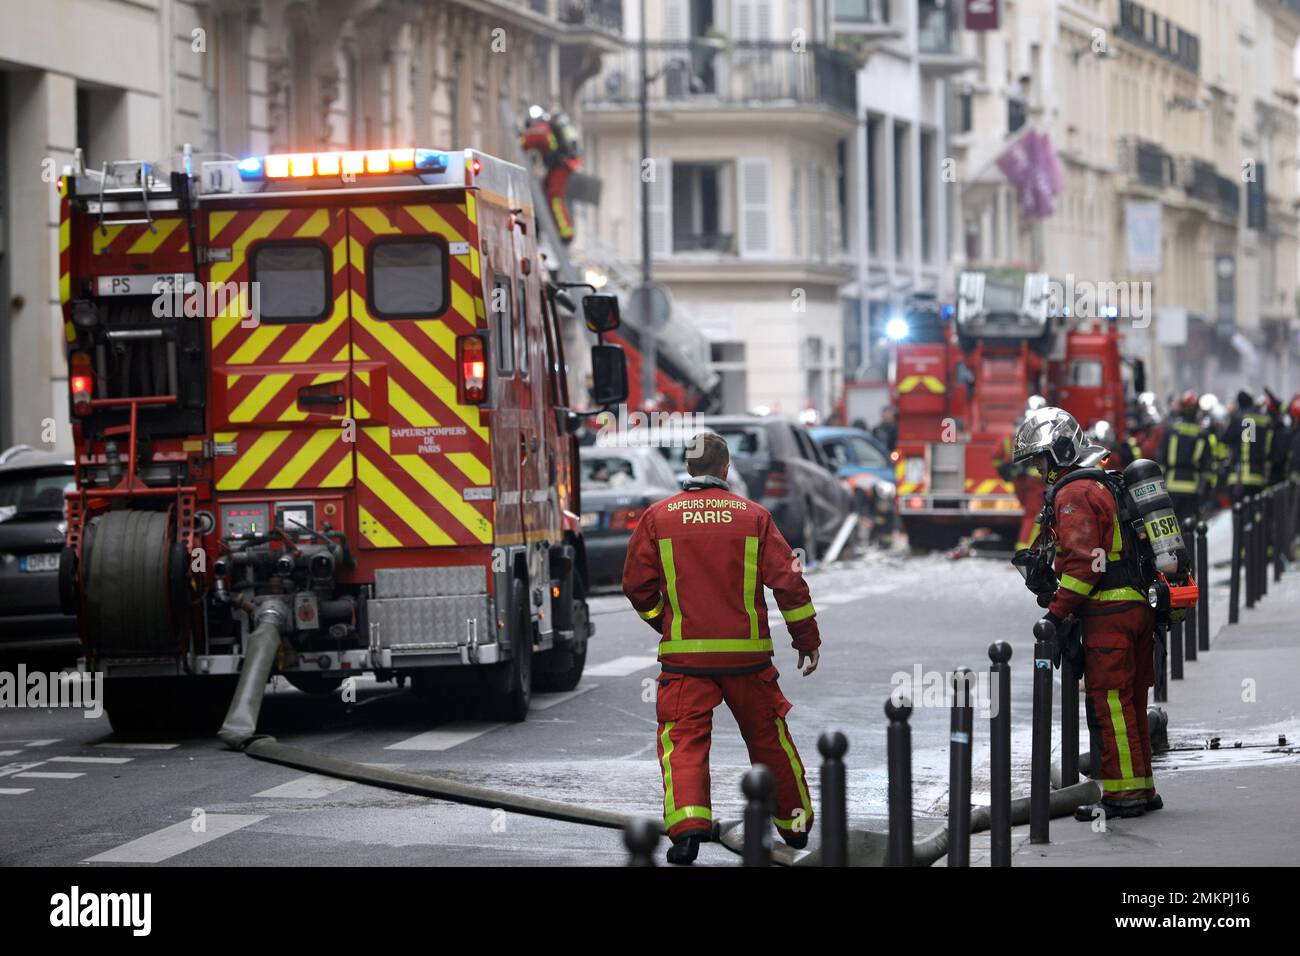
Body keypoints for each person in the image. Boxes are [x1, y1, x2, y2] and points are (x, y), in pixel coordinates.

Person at [622, 432, 820, 864]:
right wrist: (806, 640)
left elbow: (636, 586)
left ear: (688, 469)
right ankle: (796, 824)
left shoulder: (658, 518)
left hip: (686, 661)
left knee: (683, 742)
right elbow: (789, 581)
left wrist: (663, 621)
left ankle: (688, 829)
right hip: (747, 660)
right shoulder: (753, 517)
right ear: (726, 469)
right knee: (769, 739)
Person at [1012, 407, 1162, 819]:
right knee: (1131, 702)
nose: (1040, 470)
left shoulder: (1074, 492)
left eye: (1042, 460)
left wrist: (1055, 616)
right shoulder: (1102, 481)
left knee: (1109, 704)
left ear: (1059, 451)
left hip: (1108, 616)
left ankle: (1122, 797)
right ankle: (1141, 788)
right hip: (1137, 608)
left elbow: (1082, 567)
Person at [519, 105, 583, 244]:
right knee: (545, 190)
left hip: (560, 166)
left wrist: (519, 136)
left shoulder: (541, 129)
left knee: (554, 196)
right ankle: (549, 229)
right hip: (562, 164)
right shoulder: (548, 127)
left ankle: (565, 233)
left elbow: (526, 141)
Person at [995, 395, 1047, 550]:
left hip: (1019, 481)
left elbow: (997, 454)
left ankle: (1032, 550)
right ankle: (1025, 552)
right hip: (1036, 481)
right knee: (1034, 516)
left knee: (1032, 514)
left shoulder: (1013, 431)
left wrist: (1006, 472)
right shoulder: (1044, 429)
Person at [1155, 390, 1214, 526]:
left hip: (1171, 487)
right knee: (1188, 528)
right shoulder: (1202, 434)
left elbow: (1161, 460)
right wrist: (1206, 492)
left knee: (1171, 526)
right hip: (1192, 488)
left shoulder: (1170, 430)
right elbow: (1207, 467)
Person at [1224, 390, 1275, 499]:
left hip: (1239, 476)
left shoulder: (1238, 418)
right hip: (1259, 475)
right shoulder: (1265, 419)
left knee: (1239, 511)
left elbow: (1225, 438)